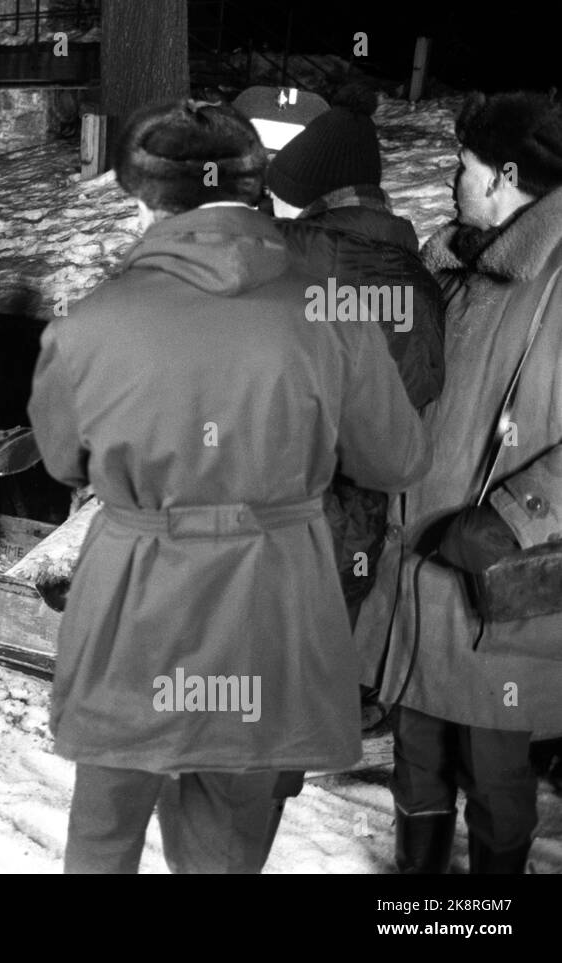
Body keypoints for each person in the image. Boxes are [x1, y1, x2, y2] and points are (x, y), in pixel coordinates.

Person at [29, 99, 430, 873]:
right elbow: (398, 459)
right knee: (229, 829)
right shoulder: (332, 305)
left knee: (106, 822)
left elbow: (60, 458)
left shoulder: (91, 322)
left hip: (135, 600)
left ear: (147, 198)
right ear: (251, 188)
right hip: (271, 597)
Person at [355, 91, 562, 874]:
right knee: (418, 765)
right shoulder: (453, 266)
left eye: (464, 164)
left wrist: (517, 514)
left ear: (507, 174)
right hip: (414, 574)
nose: (450, 177)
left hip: (492, 585)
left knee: (498, 778)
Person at [264, 85, 446, 626]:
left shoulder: (293, 266)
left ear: (308, 200)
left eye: (278, 192)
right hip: (347, 538)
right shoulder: (412, 278)